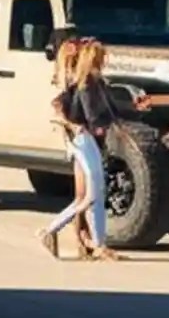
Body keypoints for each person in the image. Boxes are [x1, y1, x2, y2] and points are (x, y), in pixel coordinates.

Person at [38, 39, 122, 262]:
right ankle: (54, 230)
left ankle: (92, 242)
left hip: (80, 139)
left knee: (88, 195)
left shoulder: (82, 82)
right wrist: (93, 127)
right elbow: (89, 114)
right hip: (84, 139)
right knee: (92, 195)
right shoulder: (86, 84)